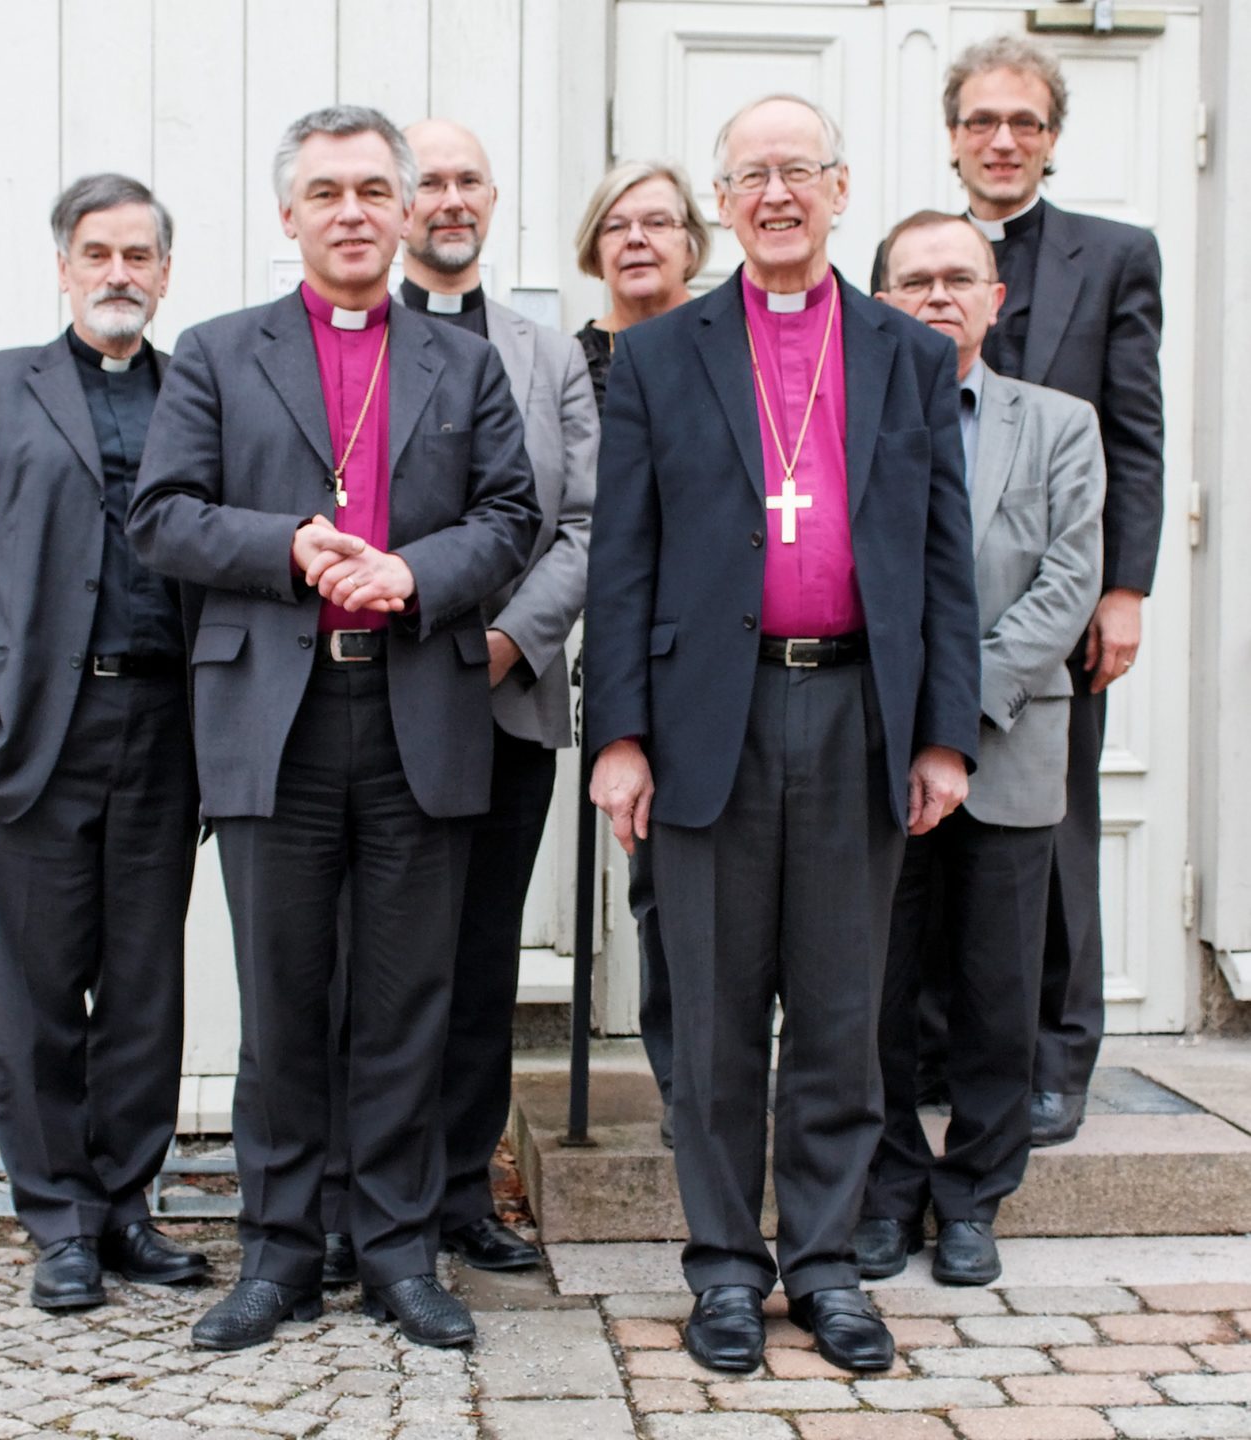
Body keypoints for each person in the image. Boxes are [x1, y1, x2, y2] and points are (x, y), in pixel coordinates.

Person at [127, 105, 540, 1351]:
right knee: (284, 1000)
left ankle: (402, 1252)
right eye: (327, 192)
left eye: (374, 190)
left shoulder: (460, 363)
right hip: (273, 718)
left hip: (415, 700)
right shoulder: (214, 351)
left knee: (410, 996)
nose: (352, 212)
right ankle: (281, 1254)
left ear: (407, 211)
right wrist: (285, 547)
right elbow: (161, 516)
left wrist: (412, 573)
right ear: (287, 215)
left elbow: (511, 514)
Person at [585, 95, 979, 1375]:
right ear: (724, 196)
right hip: (713, 715)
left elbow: (940, 562)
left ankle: (821, 1266)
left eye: (794, 171)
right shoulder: (657, 358)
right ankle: (719, 1270)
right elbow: (622, 565)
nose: (772, 195)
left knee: (836, 1012)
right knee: (706, 1018)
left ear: (839, 188)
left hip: (857, 708)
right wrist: (619, 736)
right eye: (747, 175)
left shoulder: (907, 355)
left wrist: (941, 736)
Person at [0, 174, 205, 1310]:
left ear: (165, 272)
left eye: (139, 254)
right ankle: (59, 1222)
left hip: (165, 726)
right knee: (34, 986)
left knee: (144, 983)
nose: (118, 273)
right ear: (65, 266)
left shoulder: (195, 392)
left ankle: (126, 1208)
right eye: (98, 253)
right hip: (33, 727)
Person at [317, 117, 597, 1280]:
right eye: (422, 179)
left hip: (495, 694)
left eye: (464, 178)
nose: (444, 198)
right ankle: (341, 1198)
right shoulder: (329, 342)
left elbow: (581, 523)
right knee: (353, 961)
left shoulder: (547, 355)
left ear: (493, 197)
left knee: (477, 961)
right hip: (361, 705)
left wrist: (498, 640)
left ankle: (452, 1196)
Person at [874, 35, 1164, 1145]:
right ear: (951, 136)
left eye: (1024, 122)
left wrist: (1122, 586)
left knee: (1049, 825)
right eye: (981, 121)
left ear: (1049, 138)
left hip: (1060, 586)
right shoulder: (918, 257)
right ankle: (941, 1050)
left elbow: (1134, 429)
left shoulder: (1114, 252)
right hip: (935, 598)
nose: (1002, 140)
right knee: (929, 839)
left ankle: (1056, 1049)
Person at [857, 211, 1104, 1286]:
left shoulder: (1060, 424)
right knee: (869, 991)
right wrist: (908, 714)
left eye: (959, 278)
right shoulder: (850, 422)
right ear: (880, 304)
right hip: (872, 751)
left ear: (994, 299)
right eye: (913, 282)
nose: (937, 297)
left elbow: (1066, 584)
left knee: (996, 995)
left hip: (1005, 750)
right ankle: (886, 1192)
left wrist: (958, 710)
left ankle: (971, 1201)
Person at [571, 160, 711, 1146]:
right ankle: (684, 1085)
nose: (636, 239)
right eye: (615, 223)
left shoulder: (730, 351)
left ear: (691, 244)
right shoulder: (559, 365)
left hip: (709, 652)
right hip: (601, 652)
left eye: (657, 222)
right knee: (663, 891)